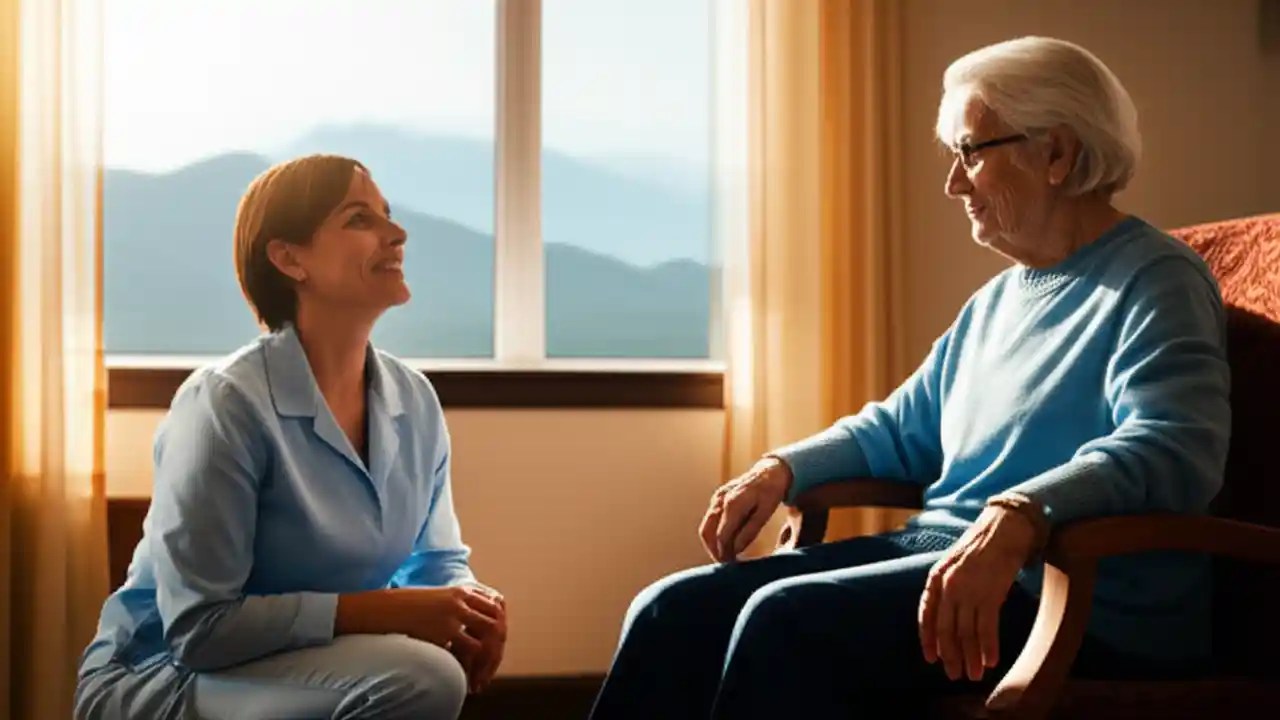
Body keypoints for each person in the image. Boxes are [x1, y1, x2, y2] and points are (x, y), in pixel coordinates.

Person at [590, 36, 1230, 719]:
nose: (954, 183)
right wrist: (783, 468)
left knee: (786, 620)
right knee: (668, 610)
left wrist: (1024, 510)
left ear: (1057, 154)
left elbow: (1173, 447)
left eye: (970, 153)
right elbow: (899, 429)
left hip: (1078, 597)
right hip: (951, 555)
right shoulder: (996, 302)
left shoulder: (1157, 280)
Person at [75, 155, 507, 720]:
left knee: (427, 671)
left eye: (388, 214)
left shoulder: (415, 400)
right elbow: (198, 630)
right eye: (360, 219)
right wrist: (385, 612)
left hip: (295, 662)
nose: (397, 233)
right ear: (289, 258)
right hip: (167, 674)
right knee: (423, 678)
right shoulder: (225, 404)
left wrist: (473, 608)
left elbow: (436, 562)